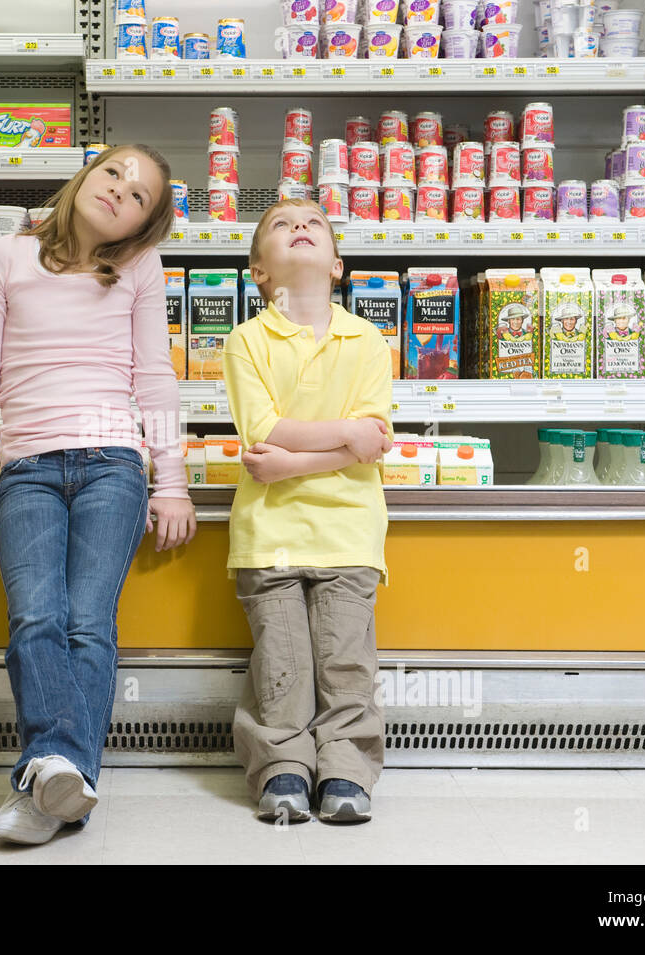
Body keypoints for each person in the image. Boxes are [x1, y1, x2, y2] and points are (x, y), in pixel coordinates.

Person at [0, 144, 197, 846]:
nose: (119, 191)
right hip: (27, 468)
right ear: (85, 175)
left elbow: (156, 378)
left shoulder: (138, 268)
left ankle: (45, 773)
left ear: (144, 224)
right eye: (113, 173)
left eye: (138, 195)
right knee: (35, 614)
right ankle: (61, 781)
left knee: (86, 620)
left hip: (115, 464)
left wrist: (172, 480)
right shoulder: (5, 258)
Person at [222, 198, 393, 825]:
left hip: (350, 530)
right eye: (280, 224)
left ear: (337, 265)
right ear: (258, 273)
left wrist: (289, 464)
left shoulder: (368, 339)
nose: (299, 226)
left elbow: (373, 435)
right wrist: (344, 438)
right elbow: (265, 427)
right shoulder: (246, 341)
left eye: (313, 223)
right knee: (282, 662)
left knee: (346, 659)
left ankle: (347, 769)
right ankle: (283, 767)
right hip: (270, 535)